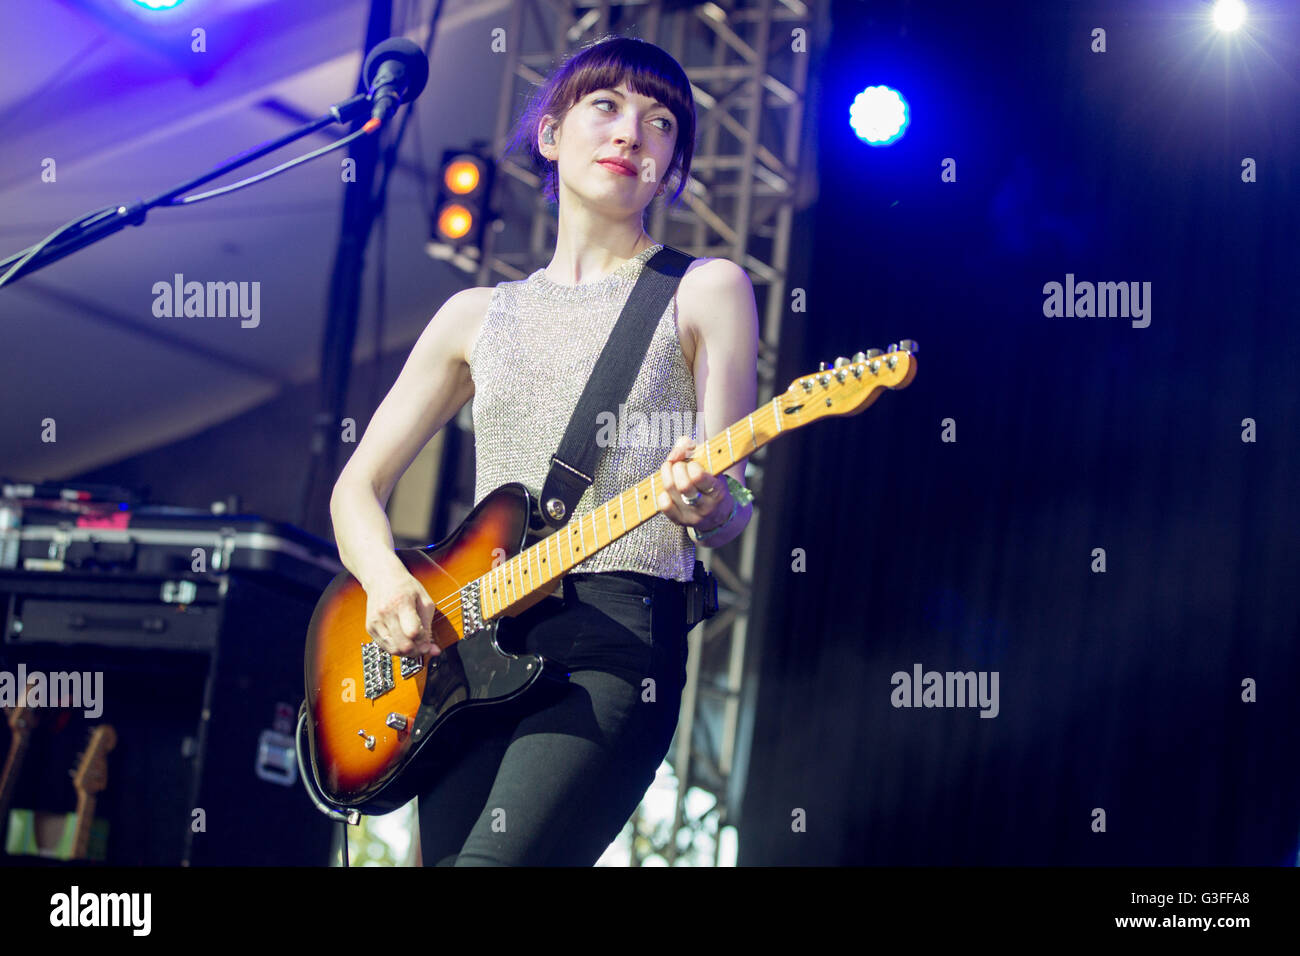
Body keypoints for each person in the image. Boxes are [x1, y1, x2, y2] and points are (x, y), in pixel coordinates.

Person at [329, 35, 758, 865]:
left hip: (614, 646)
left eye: (661, 122)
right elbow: (357, 488)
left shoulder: (707, 288)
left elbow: (731, 508)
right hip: (469, 654)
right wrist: (386, 584)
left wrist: (711, 501)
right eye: (607, 106)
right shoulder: (473, 316)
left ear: (671, 169)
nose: (632, 132)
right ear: (551, 135)